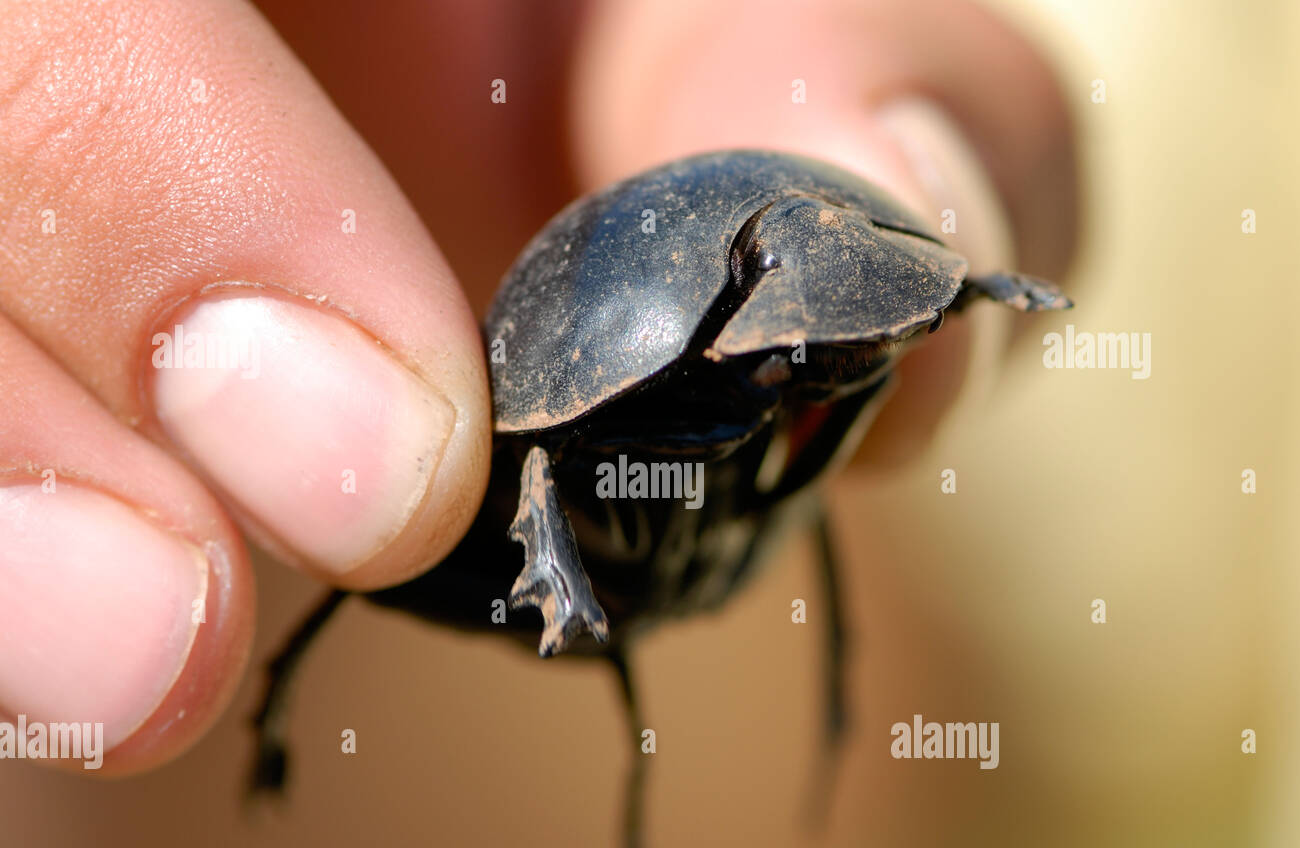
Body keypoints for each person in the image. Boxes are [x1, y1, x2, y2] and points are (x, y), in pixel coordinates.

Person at [0, 0, 1076, 774]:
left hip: (675, 451)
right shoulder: (608, 366)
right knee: (503, 492)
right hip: (566, 421)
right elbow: (552, 449)